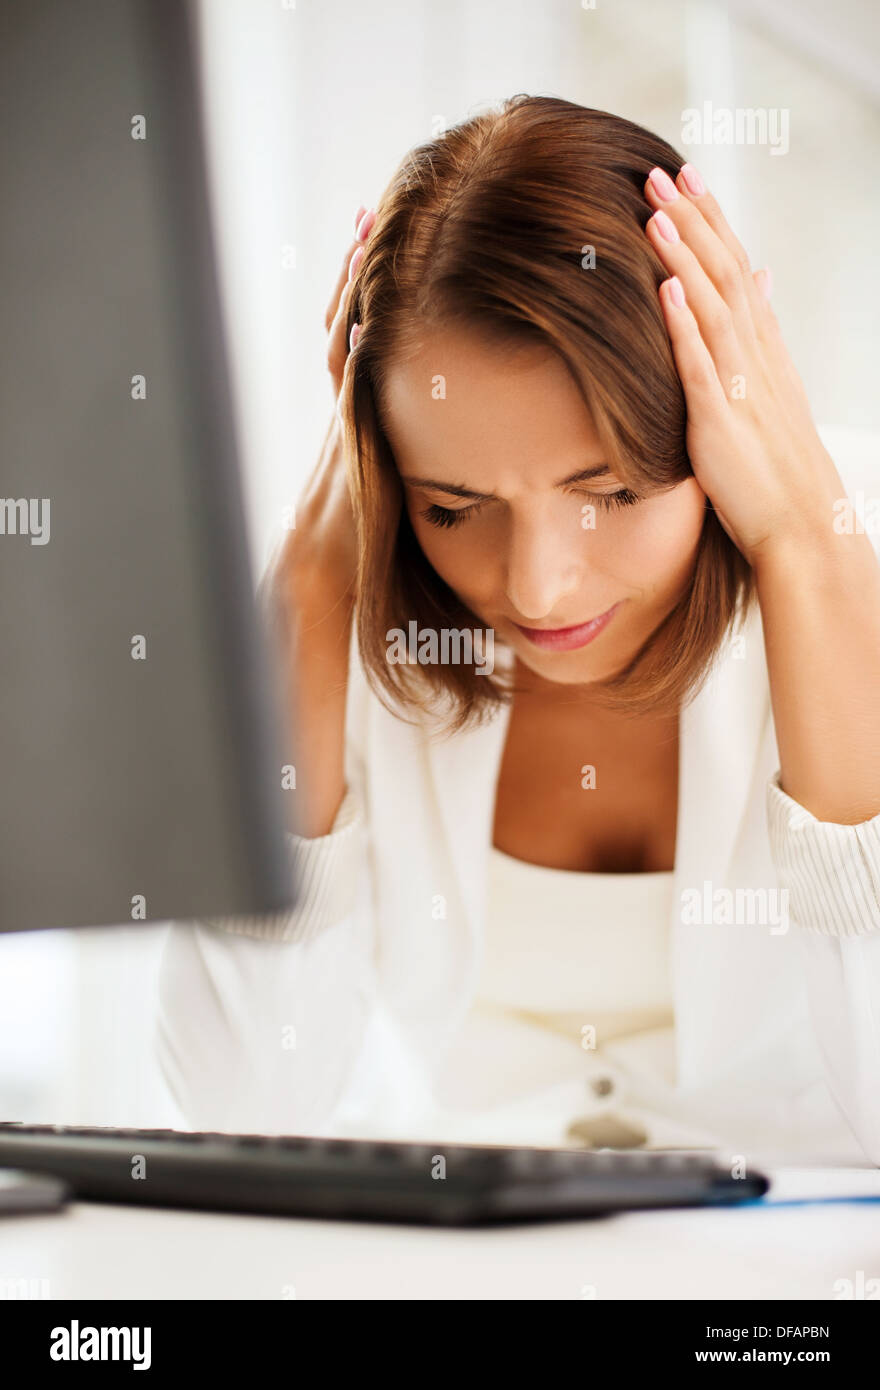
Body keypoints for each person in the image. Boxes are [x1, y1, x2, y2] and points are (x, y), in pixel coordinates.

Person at [157, 96, 880, 1166]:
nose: (537, 590)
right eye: (454, 505)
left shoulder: (843, 561)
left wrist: (809, 559)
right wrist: (308, 591)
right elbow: (238, 1108)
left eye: (614, 495)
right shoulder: (336, 604)